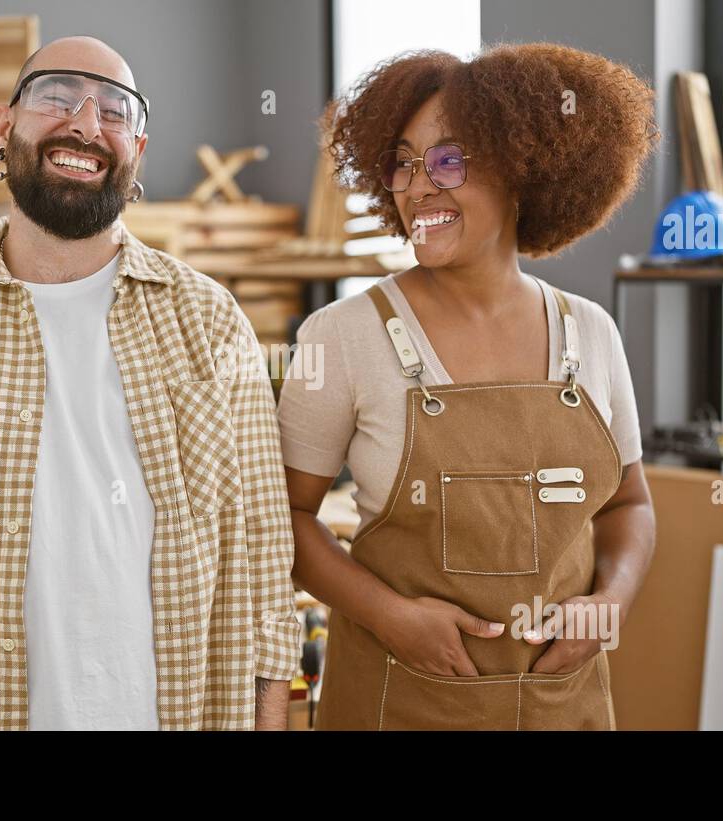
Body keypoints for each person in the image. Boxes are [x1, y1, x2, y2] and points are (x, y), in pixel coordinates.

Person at [0, 36, 301, 730]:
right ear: (3, 127)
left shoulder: (212, 324)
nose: (86, 123)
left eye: (114, 111)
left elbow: (263, 567)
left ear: (139, 153)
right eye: (57, 97)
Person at [277, 44, 658, 730]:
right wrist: (392, 617)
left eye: (450, 159)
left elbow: (630, 503)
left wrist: (612, 602)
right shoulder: (344, 336)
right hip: (400, 698)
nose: (419, 185)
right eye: (403, 161)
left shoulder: (592, 333)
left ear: (521, 170)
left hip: (561, 706)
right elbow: (287, 519)